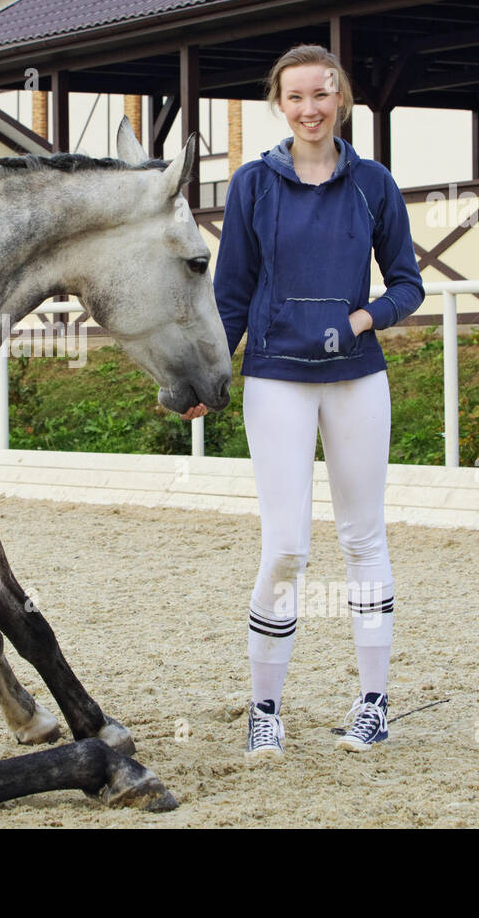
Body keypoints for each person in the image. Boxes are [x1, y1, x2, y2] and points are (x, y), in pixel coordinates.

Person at [185, 44, 424, 757]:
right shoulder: (253, 183)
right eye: (295, 97)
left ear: (340, 97)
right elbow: (231, 294)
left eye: (321, 94)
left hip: (357, 378)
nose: (310, 108)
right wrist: (208, 377)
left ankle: (373, 703)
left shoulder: (374, 183)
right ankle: (265, 709)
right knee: (286, 546)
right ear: (279, 103)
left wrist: (364, 319)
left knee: (363, 538)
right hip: (277, 378)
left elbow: (407, 283)